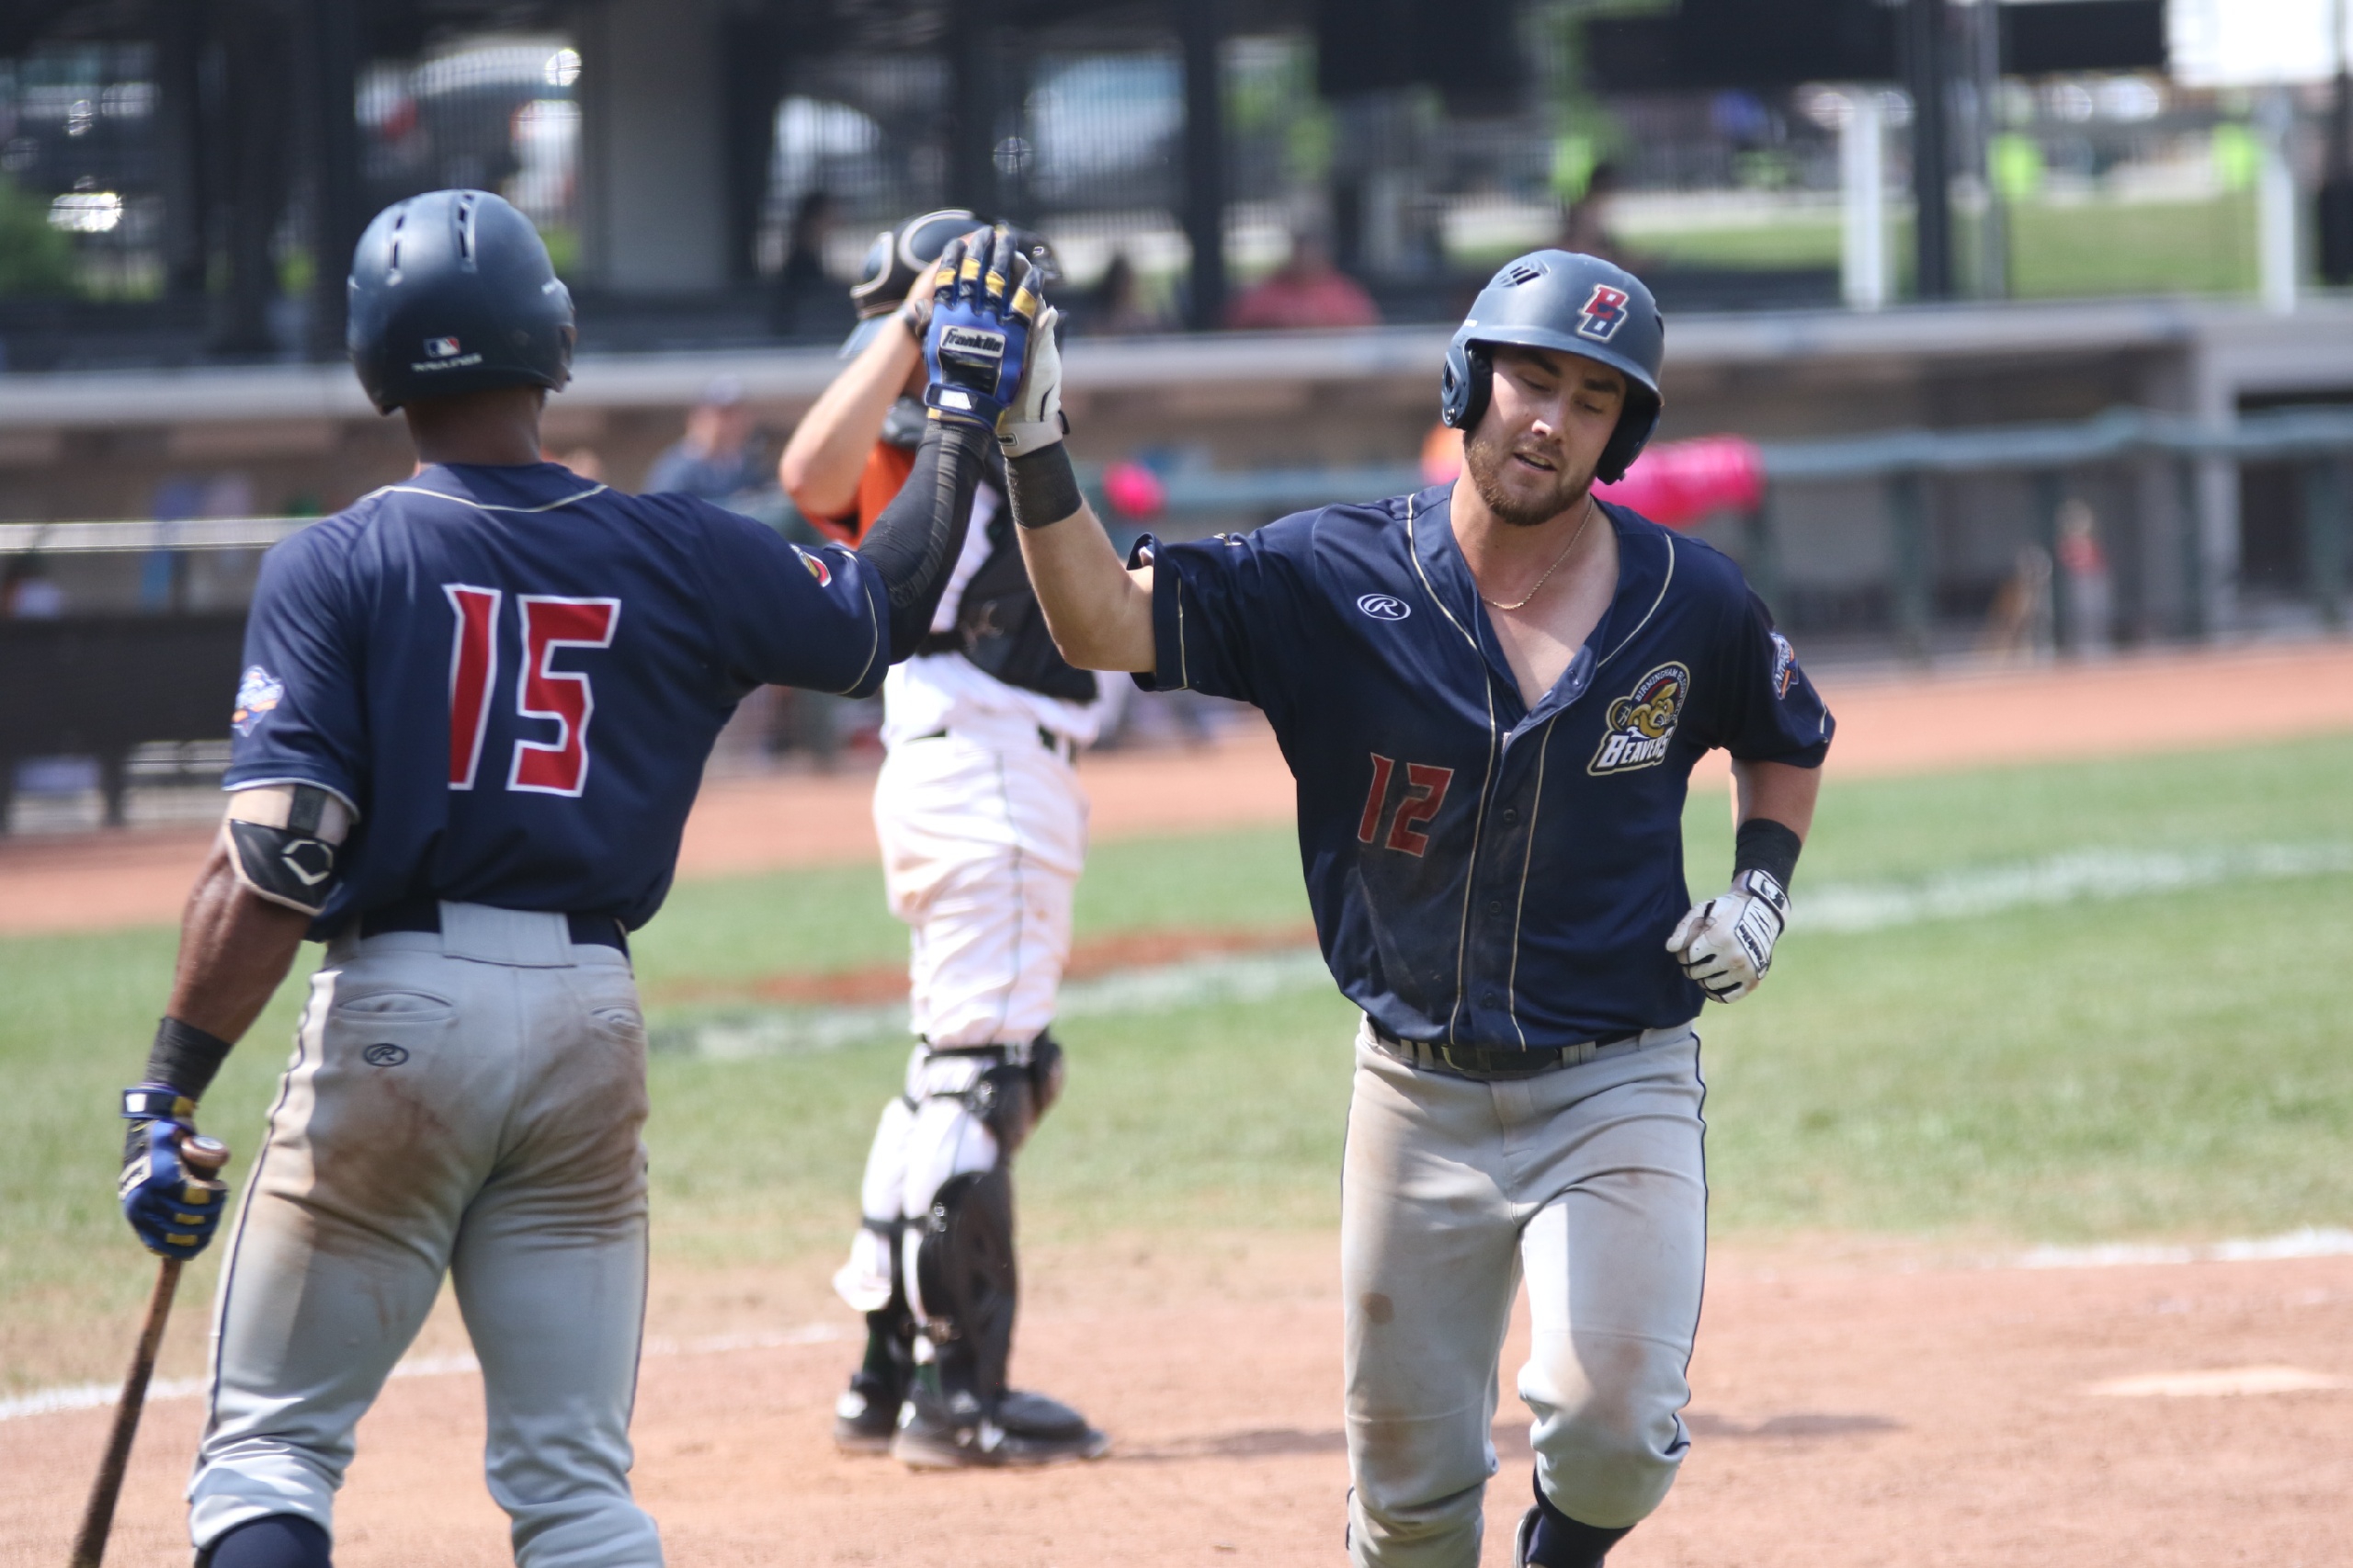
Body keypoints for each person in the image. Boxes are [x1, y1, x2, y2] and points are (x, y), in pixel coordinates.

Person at [111, 188, 1022, 1567]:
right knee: (579, 1493)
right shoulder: (674, 544)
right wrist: (953, 414)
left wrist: (168, 1088)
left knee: (269, 1455)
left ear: (374, 362)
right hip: (590, 1015)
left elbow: (278, 860)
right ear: (555, 340)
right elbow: (875, 614)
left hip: (398, 1008)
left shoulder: (336, 560)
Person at [997, 250, 1835, 1567]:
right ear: (1468, 379)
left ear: (1625, 435)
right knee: (1409, 1506)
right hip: (1415, 1098)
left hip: (1616, 1077)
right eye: (1532, 379)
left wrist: (1762, 888)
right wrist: (1031, 439)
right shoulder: (1326, 577)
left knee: (1613, 1420)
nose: (1552, 419)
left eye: (1595, 401)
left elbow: (1784, 729)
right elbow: (1101, 623)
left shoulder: (1692, 598)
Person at [777, 209, 1109, 1469]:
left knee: (946, 1072)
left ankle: (883, 1371)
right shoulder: (932, 437)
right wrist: (919, 323)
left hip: (955, 770)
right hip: (987, 775)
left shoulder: (961, 431)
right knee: (987, 1079)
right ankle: (953, 1390)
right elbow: (809, 476)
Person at [1223, 231, 1381, 331]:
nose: (1307, 260)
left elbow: (1367, 326)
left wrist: (1321, 324)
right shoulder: (1270, 291)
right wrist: (1278, 322)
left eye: (1313, 254)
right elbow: (1237, 325)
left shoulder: (1343, 292)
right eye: (1302, 254)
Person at [642, 377, 762, 501]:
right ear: (698, 417)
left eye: (738, 414)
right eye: (724, 414)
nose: (733, 423)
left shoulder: (747, 467)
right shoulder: (678, 470)